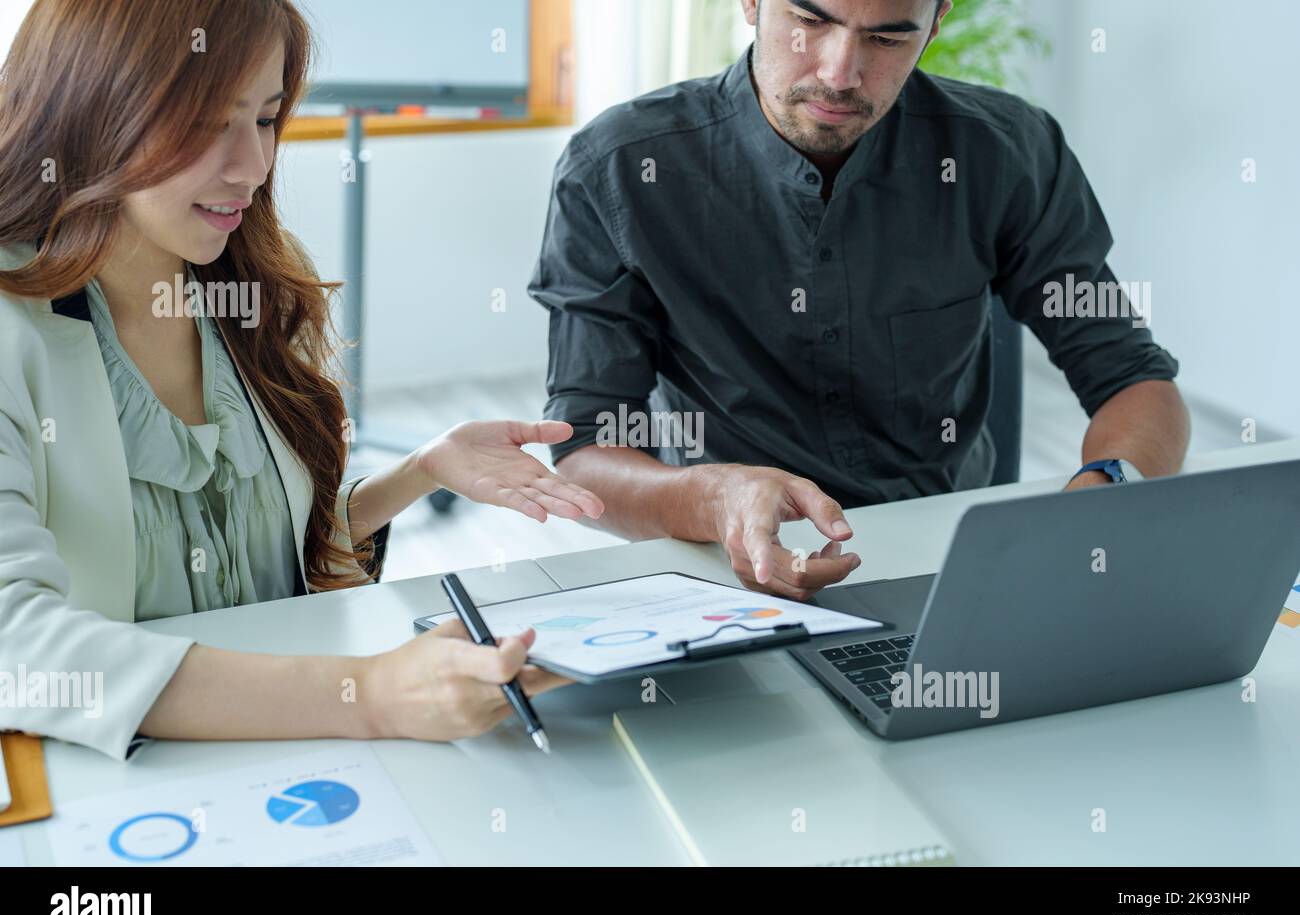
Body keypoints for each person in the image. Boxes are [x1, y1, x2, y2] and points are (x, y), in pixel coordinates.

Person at [0, 0, 603, 760]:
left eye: (265, 119)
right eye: (208, 121)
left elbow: (253, 567)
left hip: (285, 757)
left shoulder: (237, 289)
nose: (251, 166)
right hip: (109, 786)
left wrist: (420, 472)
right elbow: (15, 647)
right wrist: (372, 698)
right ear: (90, 108)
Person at [530, 0, 1188, 601]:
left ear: (933, 27)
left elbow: (1132, 378)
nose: (840, 73)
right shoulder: (615, 168)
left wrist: (1100, 500)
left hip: (959, 559)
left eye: (887, 37)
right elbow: (586, 445)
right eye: (810, 22)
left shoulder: (1006, 152)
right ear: (752, 4)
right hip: (724, 565)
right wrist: (714, 499)